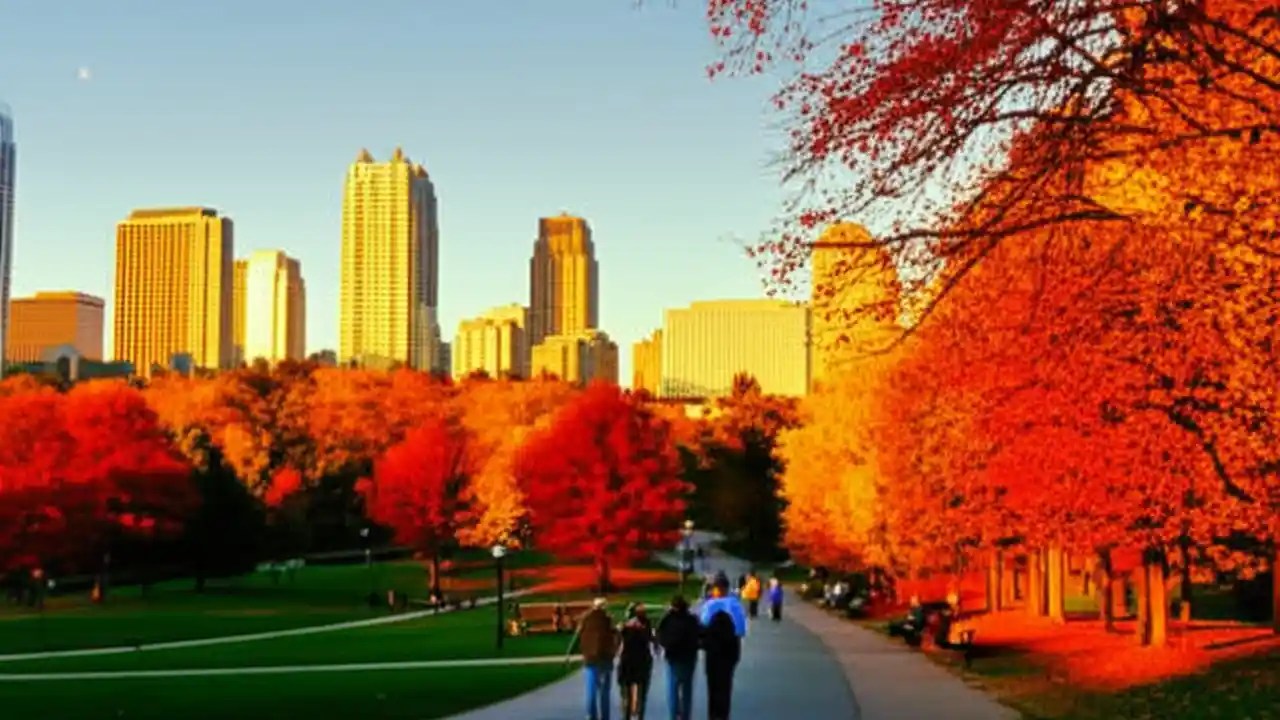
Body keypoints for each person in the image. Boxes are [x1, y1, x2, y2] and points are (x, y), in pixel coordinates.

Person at [700, 573, 747, 720]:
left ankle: (713, 715)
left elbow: (703, 626)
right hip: (730, 649)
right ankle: (724, 715)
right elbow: (740, 629)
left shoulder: (710, 605)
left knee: (713, 685)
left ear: (715, 589)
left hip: (713, 651)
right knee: (725, 684)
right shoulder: (735, 605)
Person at [574, 597, 620, 720]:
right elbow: (615, 637)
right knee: (604, 691)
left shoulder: (586, 619)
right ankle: (605, 716)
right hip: (605, 659)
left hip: (590, 658)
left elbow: (579, 638)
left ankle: (591, 715)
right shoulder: (608, 620)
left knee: (591, 689)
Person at [656, 595, 700, 720]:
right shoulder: (692, 620)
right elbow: (699, 635)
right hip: (689, 658)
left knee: (673, 689)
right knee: (687, 689)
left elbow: (660, 635)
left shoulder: (667, 620)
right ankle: (686, 715)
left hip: (672, 658)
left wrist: (665, 646)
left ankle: (673, 715)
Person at [618, 603, 656, 720]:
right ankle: (639, 716)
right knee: (641, 695)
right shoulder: (646, 626)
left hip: (627, 662)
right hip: (642, 662)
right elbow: (652, 640)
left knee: (626, 695)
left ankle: (626, 715)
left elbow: (617, 642)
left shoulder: (624, 628)